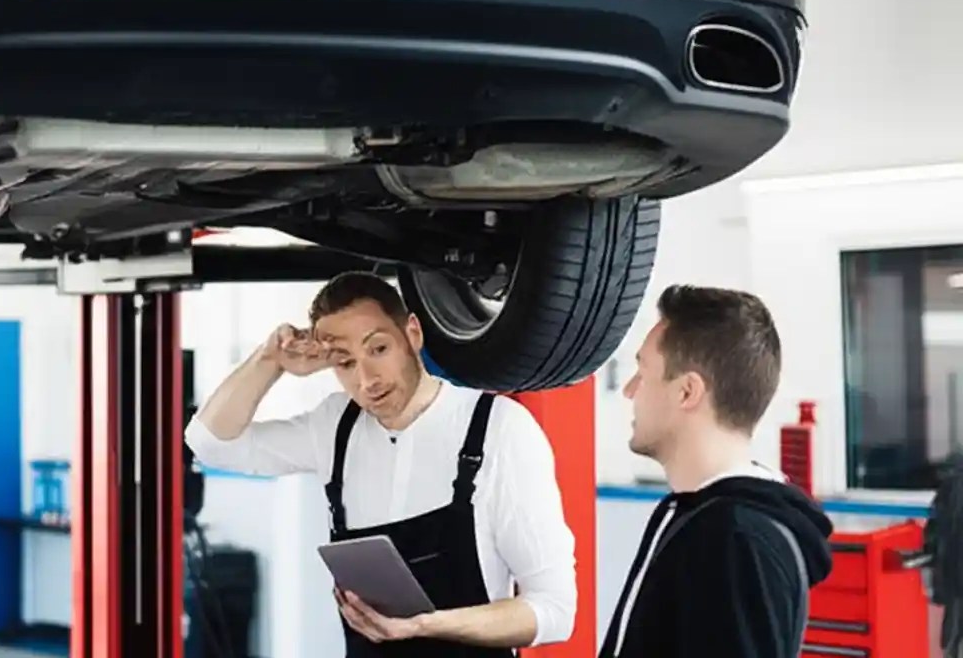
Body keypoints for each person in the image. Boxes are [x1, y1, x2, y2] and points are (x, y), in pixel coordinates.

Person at [184, 271, 577, 656]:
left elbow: (555, 612)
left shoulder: (497, 428)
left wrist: (425, 624)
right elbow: (209, 442)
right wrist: (270, 359)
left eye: (378, 349)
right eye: (345, 363)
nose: (367, 379)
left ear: (413, 333)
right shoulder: (335, 427)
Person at [600, 284, 834, 658]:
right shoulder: (702, 517)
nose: (629, 391)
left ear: (686, 392)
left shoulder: (734, 539)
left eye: (642, 371)